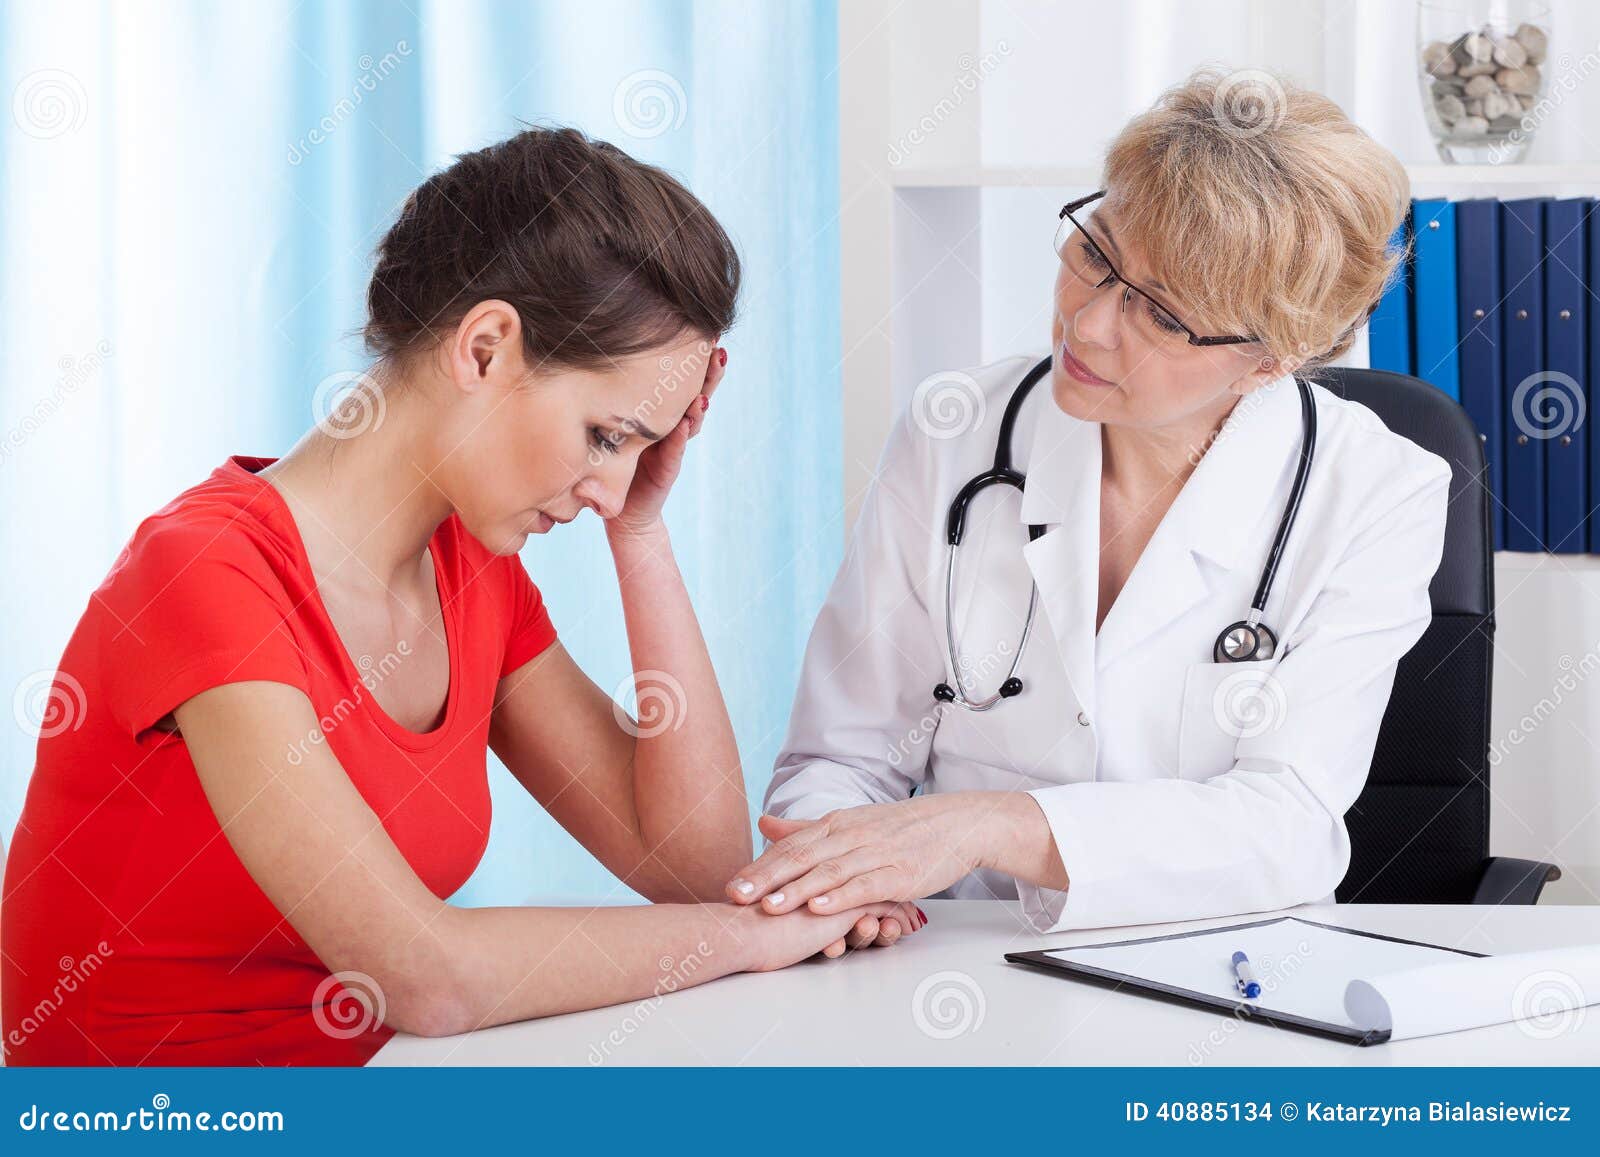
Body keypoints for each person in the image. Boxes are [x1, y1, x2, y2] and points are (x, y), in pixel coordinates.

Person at [2, 126, 897, 1066]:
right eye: (604, 437)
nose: (610, 486)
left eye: (642, 450)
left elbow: (695, 865)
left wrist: (641, 531)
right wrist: (758, 939)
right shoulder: (204, 574)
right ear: (484, 349)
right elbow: (428, 978)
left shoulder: (472, 568)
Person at [728, 69, 1450, 946]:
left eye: (1162, 316)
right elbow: (841, 756)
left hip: (1225, 971)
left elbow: (1288, 823)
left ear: (1271, 359)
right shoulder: (954, 431)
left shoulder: (1377, 492)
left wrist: (995, 824)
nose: (1090, 322)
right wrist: (836, 883)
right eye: (1096, 254)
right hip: (954, 959)